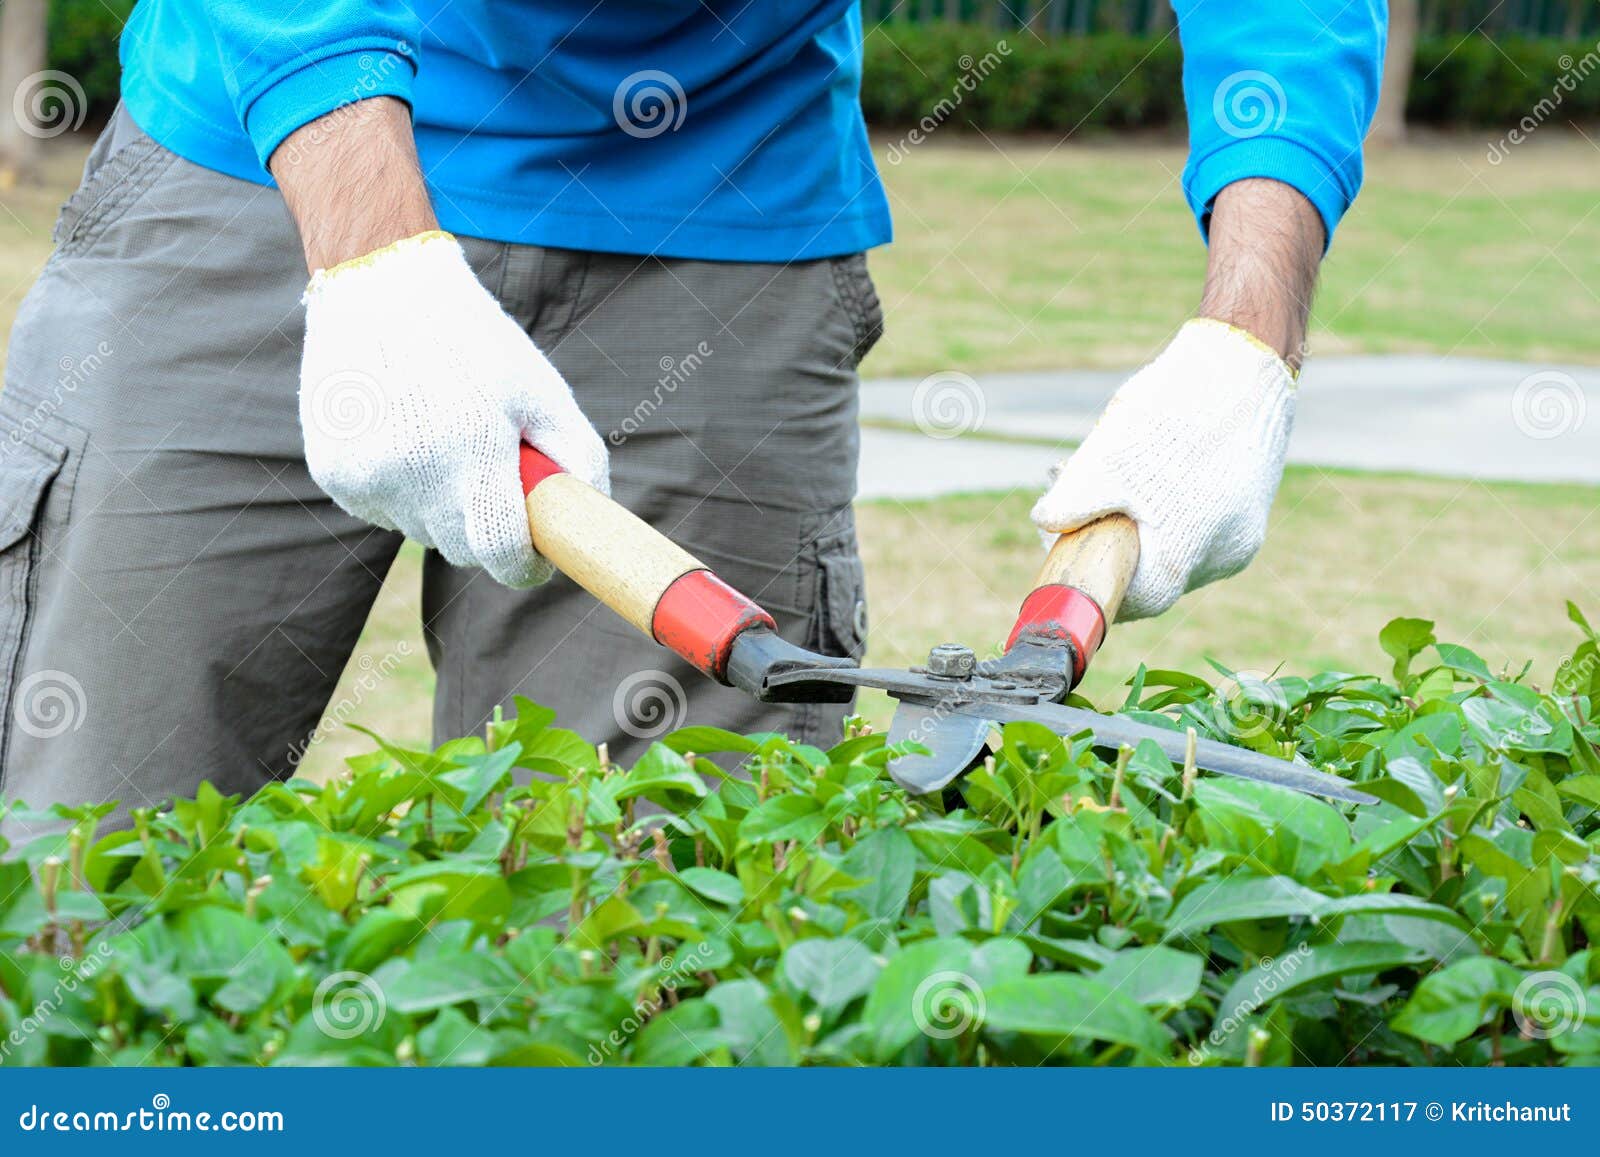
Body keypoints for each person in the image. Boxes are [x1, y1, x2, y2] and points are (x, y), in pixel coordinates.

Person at [0, 3, 1384, 833]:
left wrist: (1247, 338)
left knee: (651, 928)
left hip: (721, 207)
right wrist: (370, 255)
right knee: (82, 856)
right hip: (261, 124)